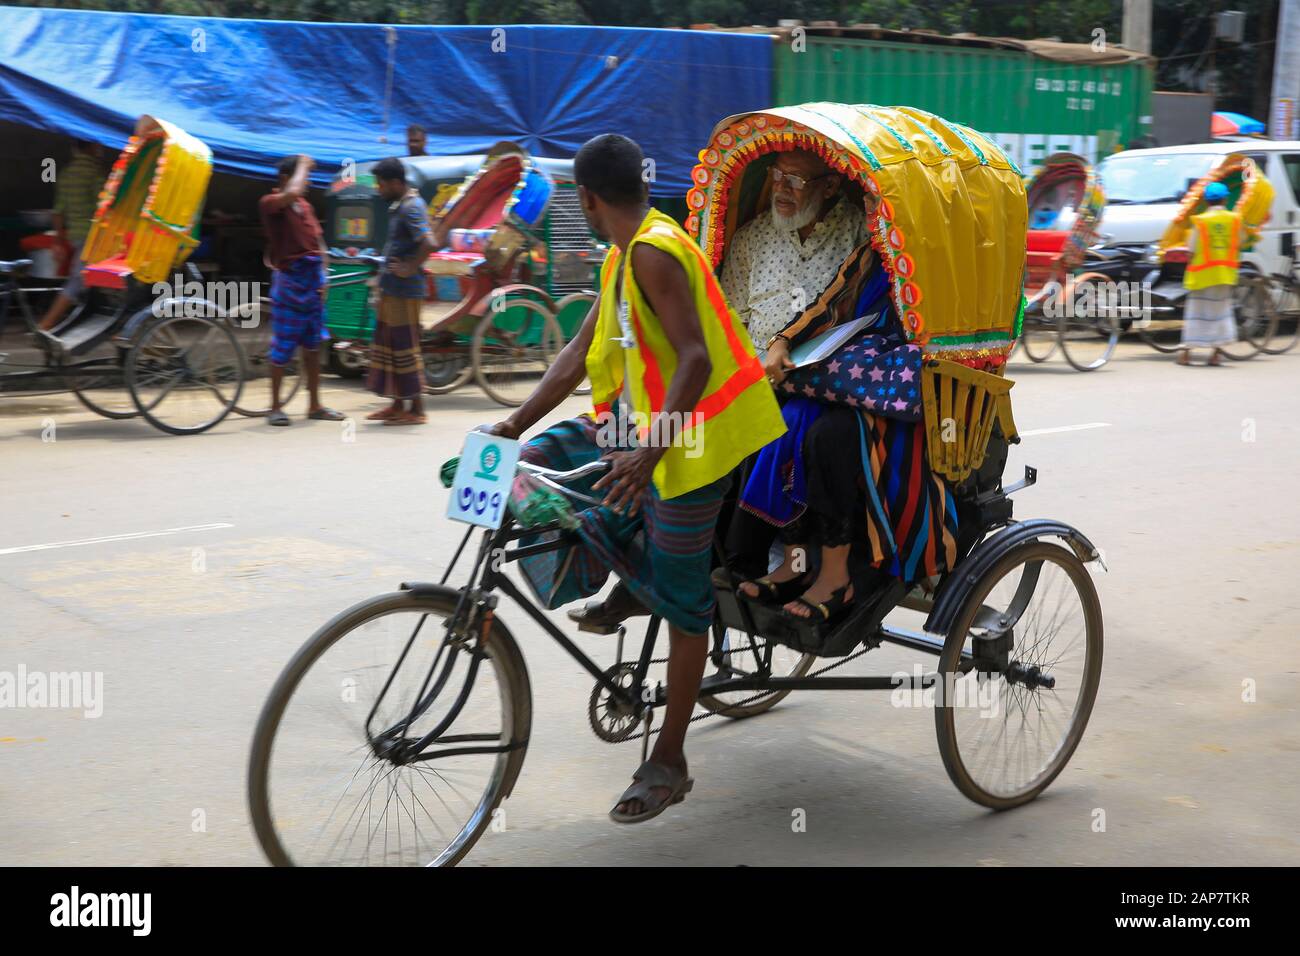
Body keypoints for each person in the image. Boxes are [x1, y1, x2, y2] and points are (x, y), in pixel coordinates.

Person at [489, 133, 784, 823]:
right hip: (649, 426)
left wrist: (649, 453)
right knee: (538, 467)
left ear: (587, 199)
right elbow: (575, 353)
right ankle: (630, 568)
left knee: (686, 607)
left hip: (698, 442)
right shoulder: (623, 252)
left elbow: (694, 360)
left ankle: (670, 760)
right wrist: (513, 427)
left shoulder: (653, 251)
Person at [738, 239, 958, 620]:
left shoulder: (944, 255)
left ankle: (837, 577)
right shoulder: (872, 252)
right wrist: (783, 341)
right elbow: (827, 305)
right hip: (854, 382)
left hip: (912, 401)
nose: (875, 210)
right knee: (787, 421)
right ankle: (797, 560)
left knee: (828, 438)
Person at [720, 149, 868, 352]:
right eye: (777, 174)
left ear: (829, 186)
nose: (781, 187)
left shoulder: (863, 233)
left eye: (796, 179)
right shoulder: (750, 236)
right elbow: (735, 321)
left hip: (833, 368)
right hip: (762, 370)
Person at [257, 154, 343, 426]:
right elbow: (291, 191)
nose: (305, 183)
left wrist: (325, 277)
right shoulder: (271, 203)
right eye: (302, 177)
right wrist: (304, 163)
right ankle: (275, 406)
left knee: (314, 346)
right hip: (290, 283)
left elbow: (319, 243)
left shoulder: (304, 207)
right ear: (285, 178)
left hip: (312, 282)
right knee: (282, 348)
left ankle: (315, 404)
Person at [367, 157, 434, 425]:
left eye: (381, 184)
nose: (378, 189)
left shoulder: (412, 208)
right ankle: (397, 405)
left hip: (406, 290)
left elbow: (429, 242)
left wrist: (409, 267)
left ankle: (416, 410)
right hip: (393, 288)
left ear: (396, 183)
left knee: (405, 346)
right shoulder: (402, 206)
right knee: (391, 347)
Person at [38, 140, 106, 333]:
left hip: (75, 236)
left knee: (94, 282)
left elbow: (58, 211)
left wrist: (59, 240)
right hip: (93, 237)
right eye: (98, 146)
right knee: (78, 280)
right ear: (92, 147)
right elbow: (105, 206)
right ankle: (46, 324)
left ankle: (108, 328)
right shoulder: (94, 173)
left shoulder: (66, 174)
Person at [1177, 181, 1241, 367]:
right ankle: (1215, 355)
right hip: (1224, 274)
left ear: (1206, 201)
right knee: (1221, 314)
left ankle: (1186, 354)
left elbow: (1190, 250)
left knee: (1195, 315)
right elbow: (1241, 241)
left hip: (1201, 276)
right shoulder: (1235, 219)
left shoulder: (1201, 221)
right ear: (1225, 198)